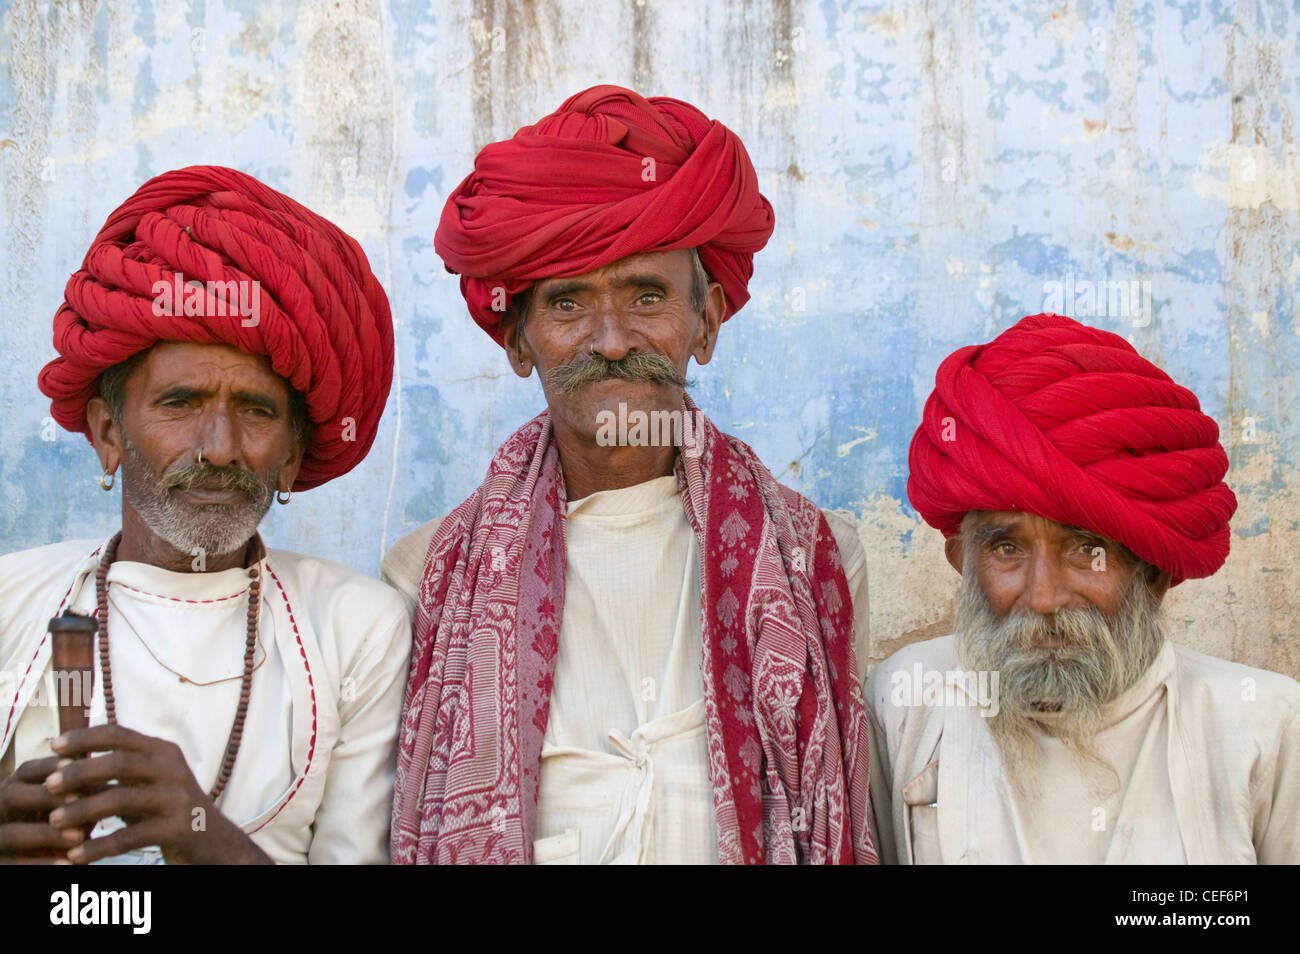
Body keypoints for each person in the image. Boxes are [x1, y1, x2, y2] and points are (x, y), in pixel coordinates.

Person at [382, 85, 876, 864]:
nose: (610, 340)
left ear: (706, 321)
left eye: (647, 295)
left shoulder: (818, 558)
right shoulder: (426, 576)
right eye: (568, 303)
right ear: (518, 343)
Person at [0, 166, 409, 864]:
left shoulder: (358, 627)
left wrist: (202, 834)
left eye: (255, 411)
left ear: (290, 455)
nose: (217, 450)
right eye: (180, 404)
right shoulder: (12, 598)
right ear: (106, 434)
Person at [868, 312, 1299, 864]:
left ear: (1154, 573)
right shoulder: (907, 699)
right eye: (1007, 549)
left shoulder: (1262, 721)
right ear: (962, 562)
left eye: (1086, 551)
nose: (1044, 598)